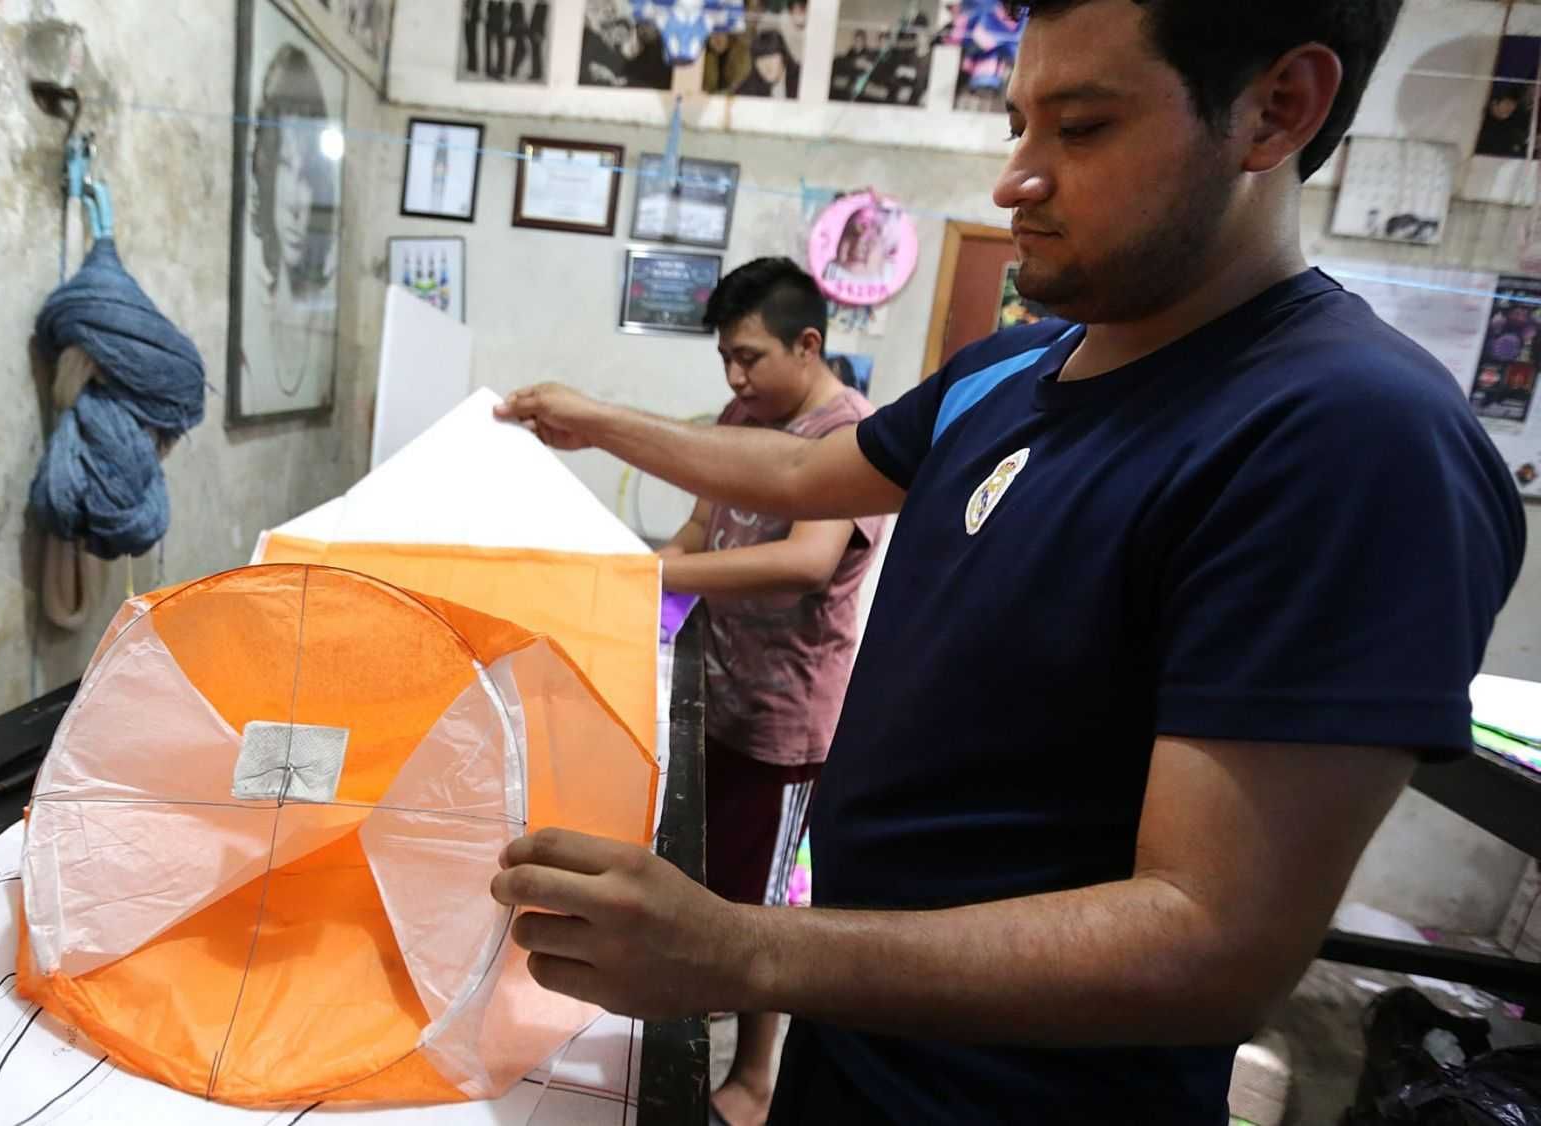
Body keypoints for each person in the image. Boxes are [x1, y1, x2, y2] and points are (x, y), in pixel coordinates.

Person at [491, 2, 1526, 1122]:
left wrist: (741, 947)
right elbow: (798, 476)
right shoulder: (1017, 366)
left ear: (1274, 111)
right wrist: (600, 422)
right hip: (857, 1052)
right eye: (1018, 124)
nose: (1013, 181)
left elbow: (1211, 938)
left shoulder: (1342, 437)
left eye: (1078, 129)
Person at [655, 259, 882, 1126]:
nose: (735, 378)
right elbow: (700, 525)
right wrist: (640, 580)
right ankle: (700, 1020)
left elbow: (803, 564)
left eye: (749, 357)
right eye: (724, 359)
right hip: (715, 694)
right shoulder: (741, 419)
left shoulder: (849, 436)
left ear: (808, 342)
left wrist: (667, 572)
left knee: (762, 914)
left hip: (787, 720)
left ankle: (753, 1082)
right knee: (708, 885)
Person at [242, 44, 338, 411]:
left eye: (308, 176)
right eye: (286, 168)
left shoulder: (320, 319)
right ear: (266, 173)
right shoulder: (249, 339)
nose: (299, 202)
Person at [736, 30, 799, 98]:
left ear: (784, 56)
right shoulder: (746, 88)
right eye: (761, 59)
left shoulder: (802, 78)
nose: (767, 66)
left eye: (771, 57)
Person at [704, 29, 753, 95]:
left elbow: (738, 81)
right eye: (712, 33)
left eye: (721, 32)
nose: (717, 37)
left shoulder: (740, 54)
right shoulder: (704, 56)